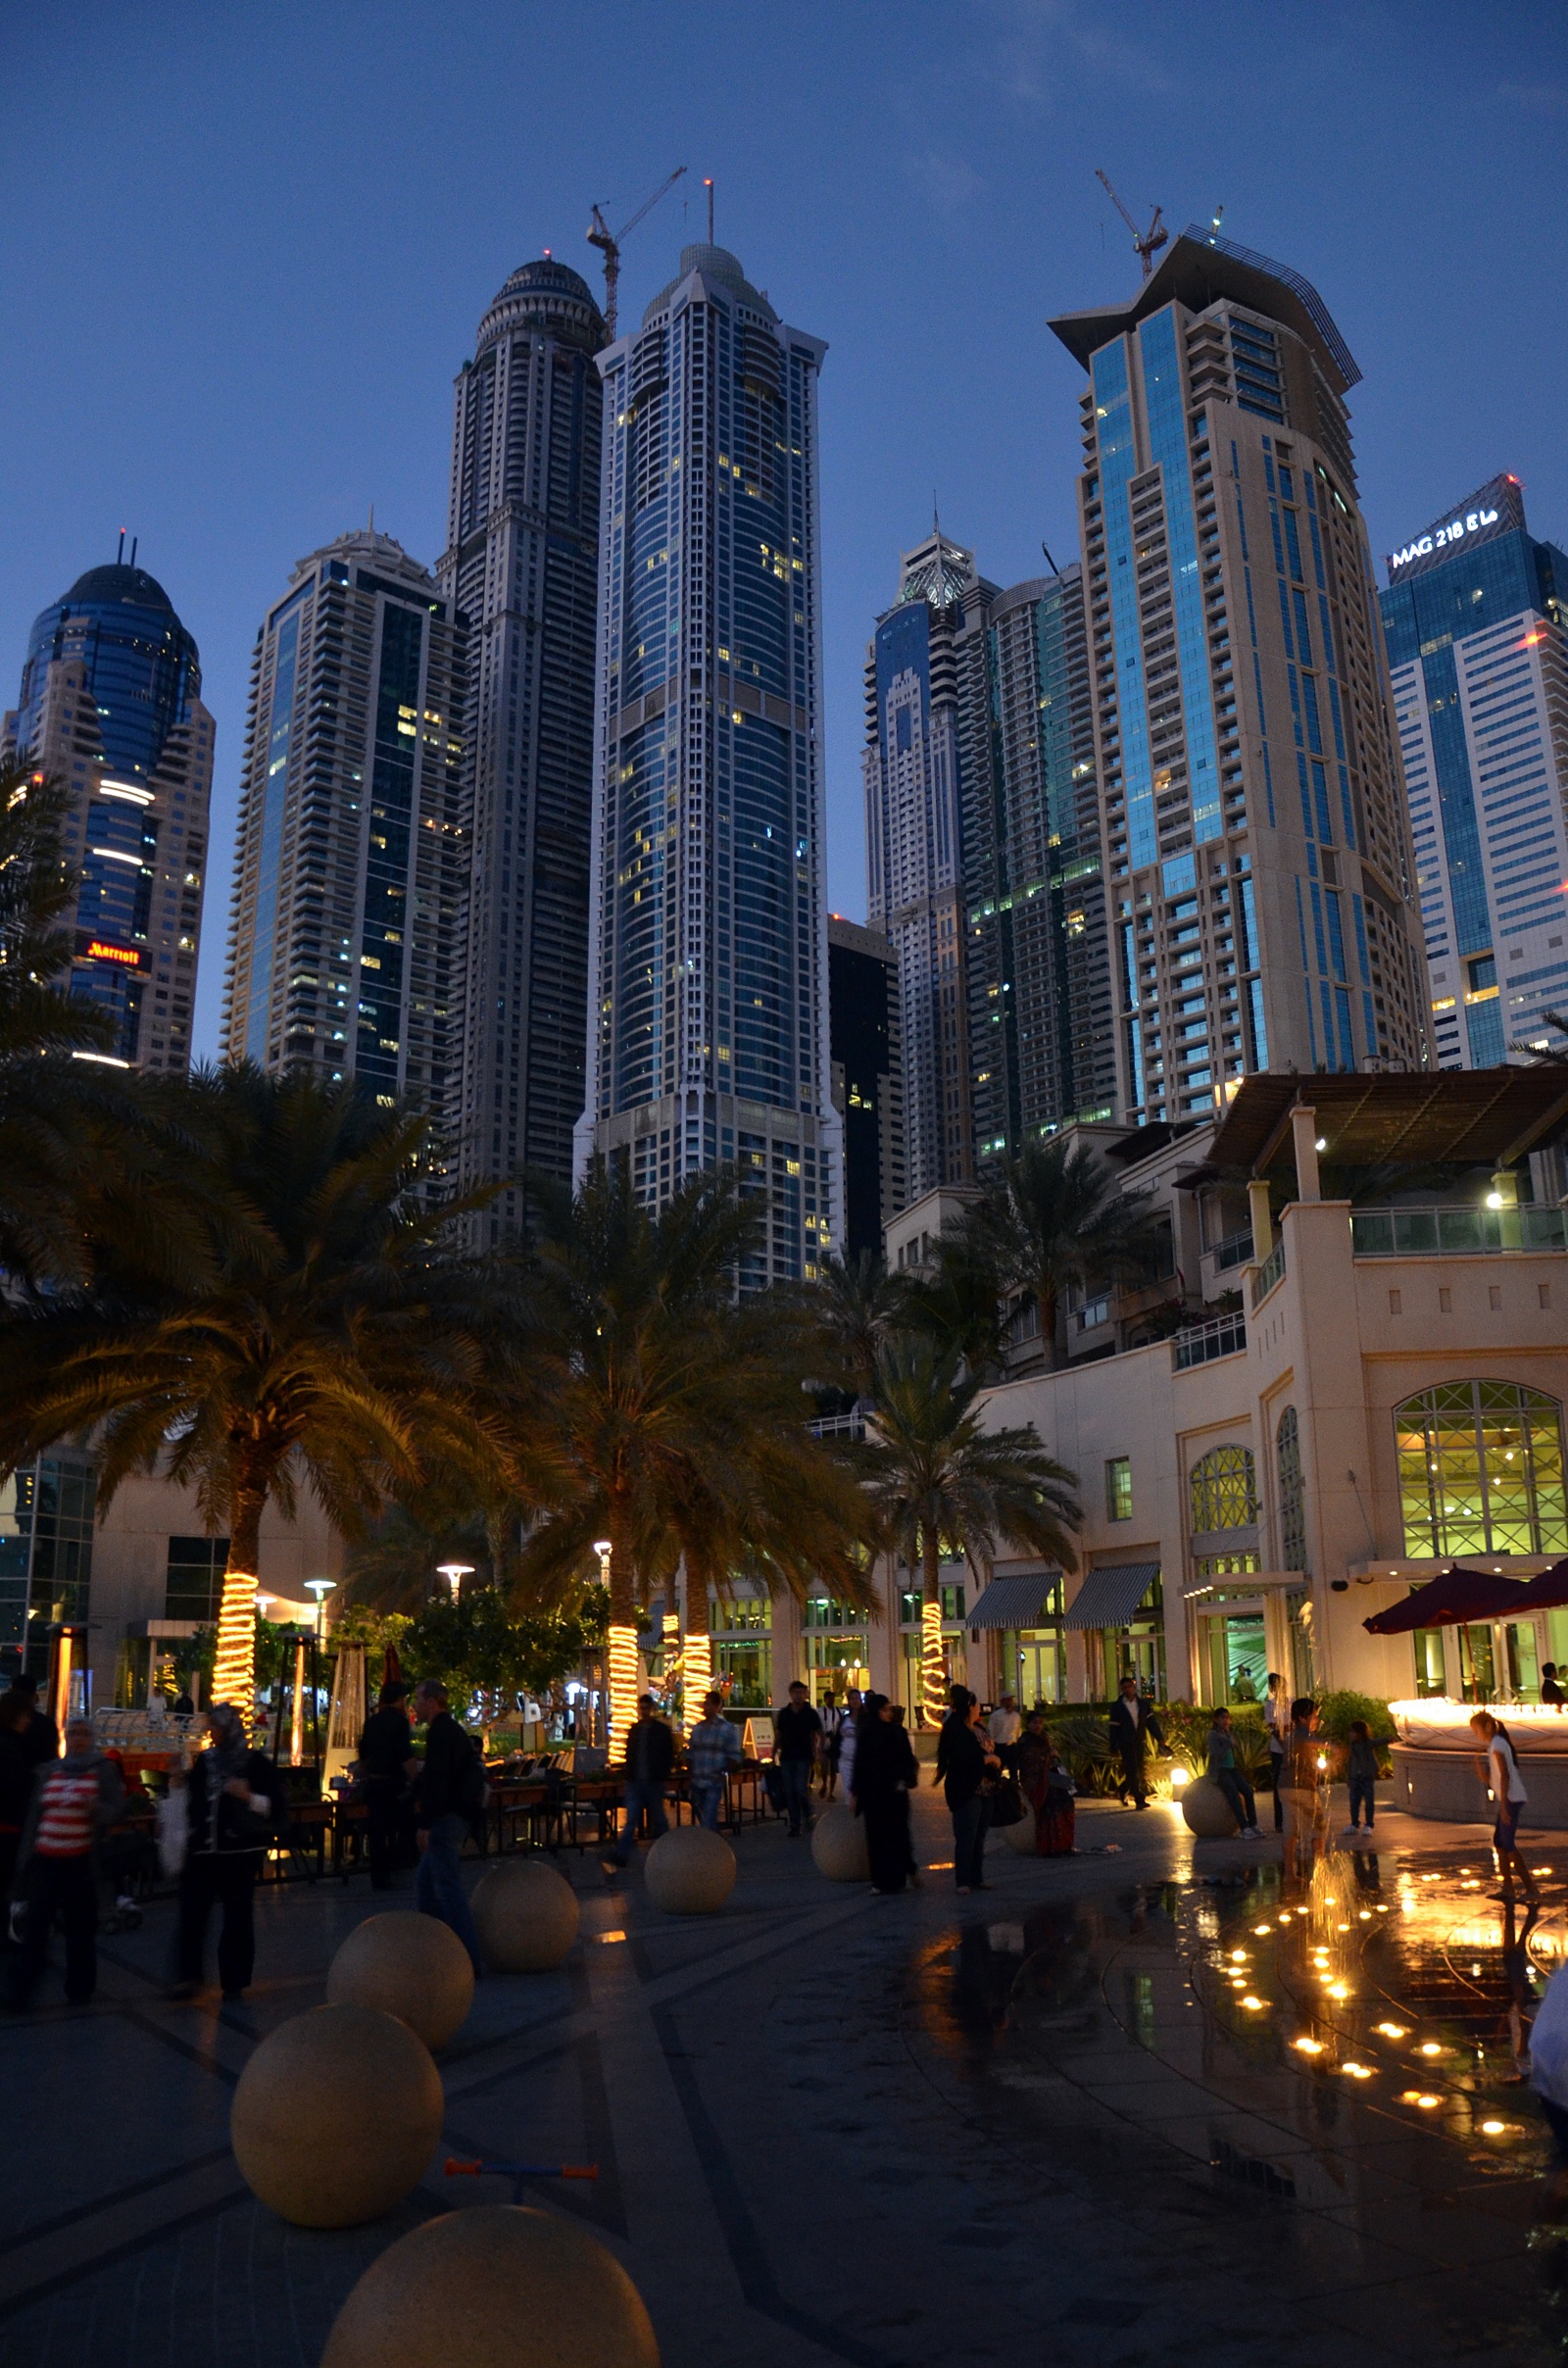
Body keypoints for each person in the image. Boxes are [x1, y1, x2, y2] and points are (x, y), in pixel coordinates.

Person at [7, 1715, 122, 2008]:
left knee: (80, 1926)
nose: (78, 1739)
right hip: (47, 1857)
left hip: (80, 1859)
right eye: (73, 1734)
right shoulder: (51, 1770)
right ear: (66, 1738)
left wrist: (96, 1809)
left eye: (84, 1734)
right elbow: (36, 1816)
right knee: (35, 1925)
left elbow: (116, 1809)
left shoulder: (101, 1769)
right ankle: (21, 1990)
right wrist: (26, 1858)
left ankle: (80, 1987)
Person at [170, 1702, 280, 2000]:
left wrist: (248, 1796)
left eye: (215, 1726)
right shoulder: (206, 1761)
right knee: (192, 1910)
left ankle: (234, 1979)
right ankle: (188, 1975)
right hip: (204, 1852)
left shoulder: (254, 1764)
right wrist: (179, 1784)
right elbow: (195, 1801)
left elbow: (276, 1807)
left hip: (239, 1854)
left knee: (237, 1915)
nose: (211, 1732)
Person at [410, 1679, 484, 1970]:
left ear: (431, 1701)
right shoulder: (453, 1730)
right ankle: (442, 1950)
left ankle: (461, 1956)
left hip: (445, 1818)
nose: (414, 1705)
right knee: (427, 1884)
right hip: (456, 1815)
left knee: (445, 1887)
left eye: (417, 1699)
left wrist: (425, 1822)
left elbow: (437, 1780)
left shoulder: (440, 1732)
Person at [852, 1693, 919, 1895]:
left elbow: (906, 1759)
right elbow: (860, 1764)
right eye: (886, 1709)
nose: (889, 1712)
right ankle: (884, 1880)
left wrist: (905, 1779)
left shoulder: (893, 1732)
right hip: (880, 1793)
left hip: (888, 1792)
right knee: (883, 1836)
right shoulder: (869, 1733)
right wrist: (856, 1792)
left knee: (891, 1835)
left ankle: (891, 1879)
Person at [936, 1691, 1000, 1895]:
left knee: (979, 1836)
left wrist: (995, 1762)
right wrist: (986, 1760)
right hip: (967, 1790)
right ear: (969, 1706)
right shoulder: (956, 1730)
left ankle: (976, 1877)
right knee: (967, 1836)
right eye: (977, 1704)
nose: (979, 1707)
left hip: (986, 1788)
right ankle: (963, 1880)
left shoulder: (978, 1728)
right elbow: (962, 1759)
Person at [355, 1679, 416, 1889]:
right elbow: (404, 1753)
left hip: (374, 1784)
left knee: (377, 1831)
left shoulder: (372, 1722)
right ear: (400, 1699)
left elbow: (364, 1753)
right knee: (399, 1825)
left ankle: (378, 1874)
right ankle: (397, 1864)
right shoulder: (399, 1722)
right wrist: (414, 1779)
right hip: (393, 1783)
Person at [605, 1694, 674, 1873]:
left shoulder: (660, 1731)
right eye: (641, 1708)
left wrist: (661, 1775)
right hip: (636, 1781)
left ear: (651, 1709)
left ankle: (670, 1851)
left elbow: (667, 1754)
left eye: (646, 1708)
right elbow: (630, 1753)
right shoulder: (636, 1730)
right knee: (633, 1820)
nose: (643, 1712)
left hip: (651, 1781)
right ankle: (622, 1854)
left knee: (658, 1819)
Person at [1471, 1709, 1533, 1894]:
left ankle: (1530, 1888)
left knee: (1507, 1843)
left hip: (1512, 1799)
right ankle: (1508, 1887)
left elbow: (1505, 1776)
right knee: (1499, 1841)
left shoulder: (1497, 1744)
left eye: (1477, 1731)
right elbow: (1495, 1779)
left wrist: (1504, 1807)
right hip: (1509, 1798)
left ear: (1488, 1727)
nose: (1477, 1735)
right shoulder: (1495, 1745)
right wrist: (1480, 1770)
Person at [1017, 1709, 1075, 1855]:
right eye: (1034, 1723)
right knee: (1051, 1805)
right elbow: (1028, 1761)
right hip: (1035, 1781)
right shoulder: (1024, 1741)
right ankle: (1050, 1847)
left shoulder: (1044, 1738)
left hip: (1048, 1778)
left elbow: (1051, 1759)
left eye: (1040, 1723)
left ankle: (1064, 1845)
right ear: (1028, 1724)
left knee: (1066, 1801)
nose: (1037, 1726)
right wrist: (1048, 1755)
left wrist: (1052, 1756)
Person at [1279, 1698, 1324, 1885]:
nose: (1316, 1720)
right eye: (1314, 1716)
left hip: (1285, 1787)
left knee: (1290, 1831)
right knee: (1318, 1828)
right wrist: (1333, 1748)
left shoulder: (1291, 1735)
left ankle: (1290, 1874)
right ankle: (1319, 1874)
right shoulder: (1303, 1733)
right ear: (1302, 1718)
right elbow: (1311, 1742)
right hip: (1303, 1789)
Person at [0, 1688, 37, 1905]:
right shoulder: (13, 1749)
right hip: (9, 1828)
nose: (29, 1721)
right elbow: (15, 1788)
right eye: (25, 1716)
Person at [1107, 1675, 1165, 1808]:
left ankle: (1122, 1789)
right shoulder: (1117, 1707)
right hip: (1125, 1742)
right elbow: (1114, 1728)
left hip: (1139, 1741)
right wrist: (1113, 1747)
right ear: (1121, 1690)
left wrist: (1160, 1739)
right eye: (1124, 1688)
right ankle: (1139, 1799)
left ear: (1134, 1687)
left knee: (1137, 1769)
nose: (1127, 1690)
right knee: (1132, 1769)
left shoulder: (1143, 1705)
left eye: (1129, 1687)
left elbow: (1151, 1723)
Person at [773, 1682, 822, 1839]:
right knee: (790, 1791)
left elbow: (819, 1732)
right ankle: (795, 1825)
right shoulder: (785, 1713)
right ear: (790, 1693)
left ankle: (808, 1812)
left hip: (804, 1756)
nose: (798, 1695)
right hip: (787, 1756)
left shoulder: (810, 1713)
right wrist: (773, 1752)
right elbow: (779, 1733)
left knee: (800, 1788)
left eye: (801, 1692)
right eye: (796, 1692)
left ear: (805, 1694)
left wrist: (819, 1750)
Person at [686, 1692, 741, 1830]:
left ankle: (709, 1842)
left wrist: (723, 1771)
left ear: (717, 1706)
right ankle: (714, 1839)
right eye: (705, 1703)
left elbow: (734, 1754)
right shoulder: (697, 1729)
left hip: (714, 1779)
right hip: (698, 1779)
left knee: (709, 1814)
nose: (705, 1707)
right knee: (704, 1813)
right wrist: (690, 1771)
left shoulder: (726, 1728)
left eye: (709, 1704)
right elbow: (691, 1752)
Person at [1205, 1708, 1260, 1837]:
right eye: (1222, 1718)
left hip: (1231, 1769)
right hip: (1220, 1770)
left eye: (1227, 1718)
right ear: (1216, 1720)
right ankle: (1244, 1827)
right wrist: (1228, 1743)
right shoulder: (1213, 1735)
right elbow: (1216, 1754)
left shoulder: (1227, 1733)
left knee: (1247, 1791)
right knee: (1233, 1795)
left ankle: (1254, 1824)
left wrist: (1229, 1740)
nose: (1226, 1721)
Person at [1344, 1718, 1379, 1841]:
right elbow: (1350, 1762)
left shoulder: (1367, 1744)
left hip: (1366, 1777)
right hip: (1355, 1777)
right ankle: (1354, 1823)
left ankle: (1369, 1824)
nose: (1350, 1735)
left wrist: (1389, 1739)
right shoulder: (1352, 1746)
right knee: (1354, 1802)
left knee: (1369, 1801)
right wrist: (1348, 1776)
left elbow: (1377, 1742)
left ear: (1359, 1733)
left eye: (1352, 1732)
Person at [1263, 1672, 1289, 1832]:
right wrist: (1283, 1743)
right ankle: (1279, 1821)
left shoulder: (1291, 1702)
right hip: (1278, 1750)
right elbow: (1273, 1728)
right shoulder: (1270, 1706)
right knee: (1279, 1784)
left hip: (1291, 1746)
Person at [816, 1691, 842, 1798]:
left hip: (834, 1741)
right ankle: (824, 1784)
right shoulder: (820, 1712)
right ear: (825, 1699)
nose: (832, 1701)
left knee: (833, 1769)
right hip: (823, 1741)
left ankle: (831, 1792)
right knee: (824, 1766)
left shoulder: (838, 1711)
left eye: (833, 1699)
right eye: (830, 1699)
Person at [987, 1694, 1022, 1763]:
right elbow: (991, 1731)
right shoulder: (996, 1715)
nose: (1010, 1702)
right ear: (1003, 1701)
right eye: (1008, 1699)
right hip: (1000, 1746)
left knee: (1013, 1770)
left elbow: (1018, 1730)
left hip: (1012, 1746)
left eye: (1011, 1700)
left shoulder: (1016, 1716)